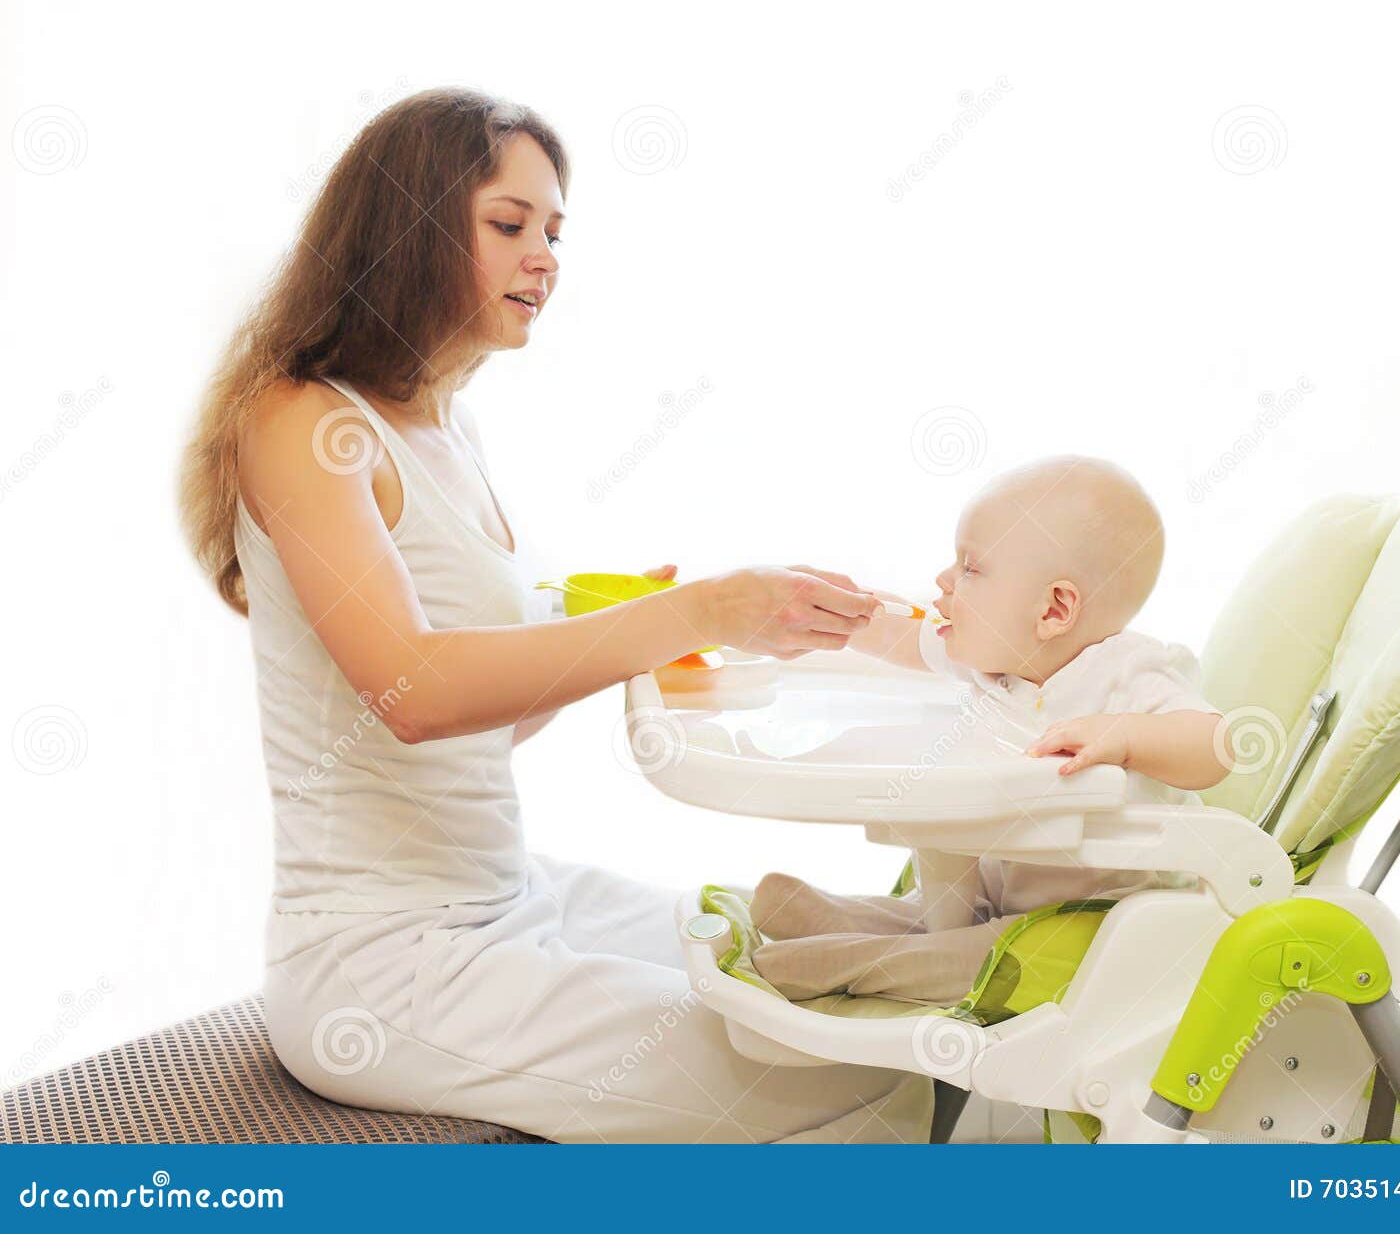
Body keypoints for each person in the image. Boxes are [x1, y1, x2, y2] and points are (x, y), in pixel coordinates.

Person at [178, 86, 934, 1142]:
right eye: (508, 224)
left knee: (849, 1005)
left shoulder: (448, 426)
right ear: (407, 225)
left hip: (508, 897)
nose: (545, 257)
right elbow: (412, 693)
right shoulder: (304, 422)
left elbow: (490, 718)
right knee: (848, 1078)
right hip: (385, 965)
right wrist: (691, 610)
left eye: (554, 231)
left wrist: (629, 624)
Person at [749, 456, 1233, 1005]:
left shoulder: (1125, 673)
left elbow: (1212, 746)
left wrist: (1125, 733)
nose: (944, 580)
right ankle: (857, 922)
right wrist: (831, 610)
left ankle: (853, 963)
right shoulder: (993, 655)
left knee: (990, 952)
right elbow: (903, 635)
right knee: (951, 894)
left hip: (1096, 925)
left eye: (970, 568)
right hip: (995, 897)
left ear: (1054, 608)